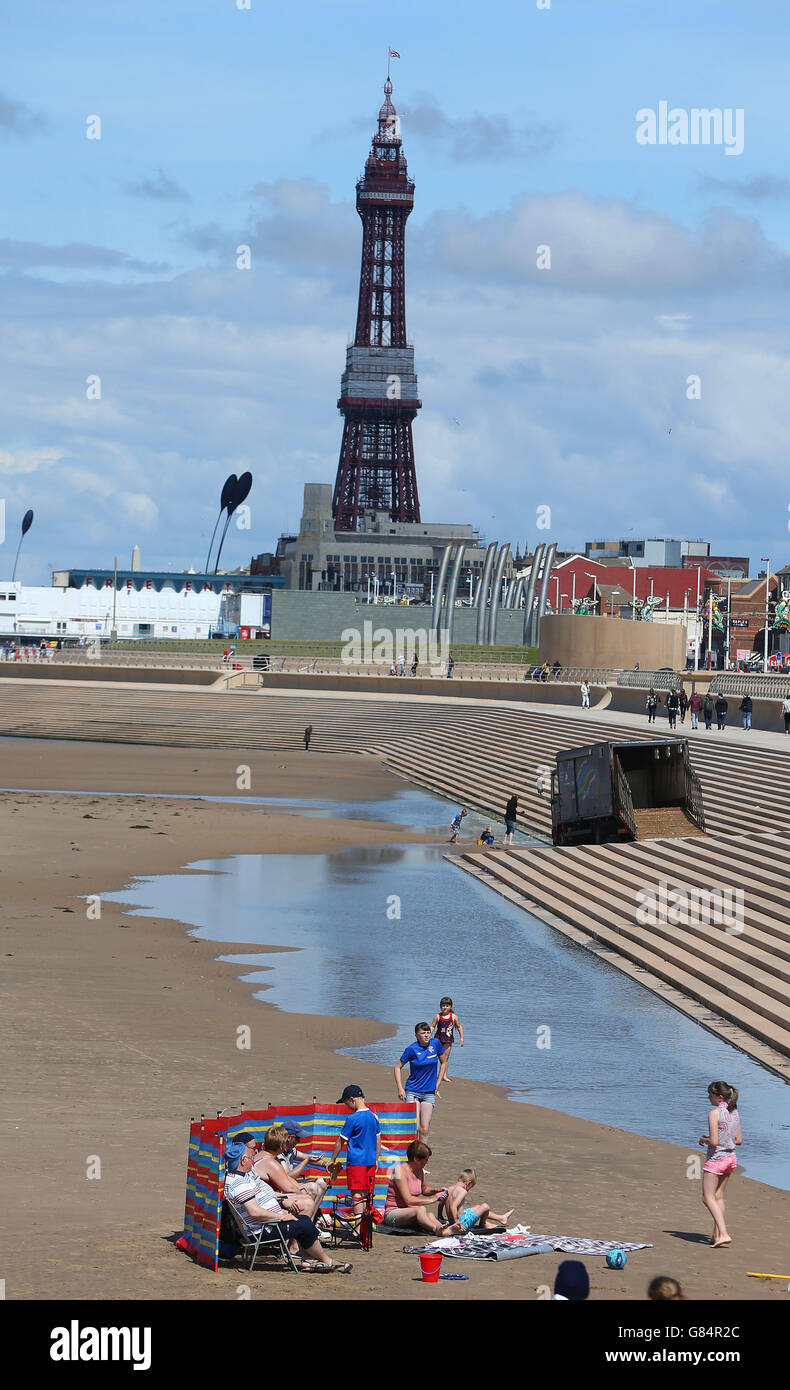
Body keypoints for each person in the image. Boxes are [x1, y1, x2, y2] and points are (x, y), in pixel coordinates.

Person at [223, 1137, 351, 1272]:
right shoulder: (239, 1184)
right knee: (305, 1224)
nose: (252, 1160)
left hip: (265, 1225)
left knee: (303, 1221)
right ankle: (328, 1261)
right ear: (243, 1161)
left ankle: (309, 1260)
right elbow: (255, 1212)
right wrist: (281, 1217)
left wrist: (281, 1210)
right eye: (250, 1158)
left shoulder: (240, 1177)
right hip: (262, 1230)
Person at [698, 1080, 742, 1248]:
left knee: (707, 1198)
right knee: (718, 1197)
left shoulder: (714, 1113)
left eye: (710, 1094)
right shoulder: (734, 1112)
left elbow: (714, 1141)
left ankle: (723, 1233)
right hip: (731, 1159)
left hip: (717, 1160)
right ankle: (716, 1235)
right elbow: (738, 1140)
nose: (708, 1097)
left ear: (719, 1097)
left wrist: (703, 1139)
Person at [328, 1085, 381, 1221]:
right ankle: (364, 1227)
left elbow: (340, 1142)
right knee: (365, 1194)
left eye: (346, 1104)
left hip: (356, 1162)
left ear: (352, 1099)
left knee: (357, 1194)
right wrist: (376, 1159)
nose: (347, 1107)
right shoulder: (374, 1116)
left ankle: (358, 1227)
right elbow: (378, 1140)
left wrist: (332, 1160)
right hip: (370, 1161)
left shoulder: (352, 1119)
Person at [251, 1126, 327, 1220]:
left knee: (310, 1192)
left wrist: (325, 1164)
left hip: (266, 1196)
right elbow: (289, 1187)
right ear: (281, 1146)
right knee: (308, 1203)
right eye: (297, 1138)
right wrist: (303, 1194)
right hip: (266, 1202)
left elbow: (288, 1179)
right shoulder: (271, 1162)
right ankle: (302, 1230)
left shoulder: (263, 1155)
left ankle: (307, 1228)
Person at [380, 1140, 448, 1235]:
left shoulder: (419, 1170)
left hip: (411, 1211)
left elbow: (424, 1190)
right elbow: (408, 1200)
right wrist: (433, 1199)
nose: (427, 1162)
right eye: (425, 1159)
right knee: (420, 1209)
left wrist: (436, 1190)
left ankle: (443, 1230)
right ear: (416, 1159)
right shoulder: (399, 1171)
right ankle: (435, 1229)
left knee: (430, 1215)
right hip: (394, 1212)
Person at [394, 1022, 445, 1143]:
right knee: (414, 1127)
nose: (427, 1035)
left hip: (429, 1093)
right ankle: (411, 1156)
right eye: (423, 1033)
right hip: (413, 1091)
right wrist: (400, 1089)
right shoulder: (411, 1049)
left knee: (424, 1129)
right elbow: (397, 1067)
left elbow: (444, 1063)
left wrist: (438, 1084)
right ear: (417, 1035)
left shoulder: (436, 1044)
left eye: (428, 1032)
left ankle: (422, 1156)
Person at [439, 1168, 514, 1233]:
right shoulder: (462, 1191)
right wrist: (457, 1222)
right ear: (468, 1183)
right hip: (462, 1222)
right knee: (485, 1207)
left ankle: (501, 1218)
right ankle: (483, 1224)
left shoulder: (449, 1189)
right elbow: (453, 1206)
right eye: (471, 1187)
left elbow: (441, 1203)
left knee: (478, 1207)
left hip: (456, 1219)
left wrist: (440, 1216)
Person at [430, 996, 464, 1082]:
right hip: (438, 1039)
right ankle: (434, 1074)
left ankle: (444, 1076)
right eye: (443, 1005)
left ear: (450, 1007)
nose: (445, 1007)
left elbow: (459, 1027)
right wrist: (429, 1035)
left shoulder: (453, 1017)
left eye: (447, 1006)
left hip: (448, 1040)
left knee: (445, 1059)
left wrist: (462, 1038)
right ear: (440, 1006)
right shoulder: (437, 1016)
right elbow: (432, 1026)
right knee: (436, 1057)